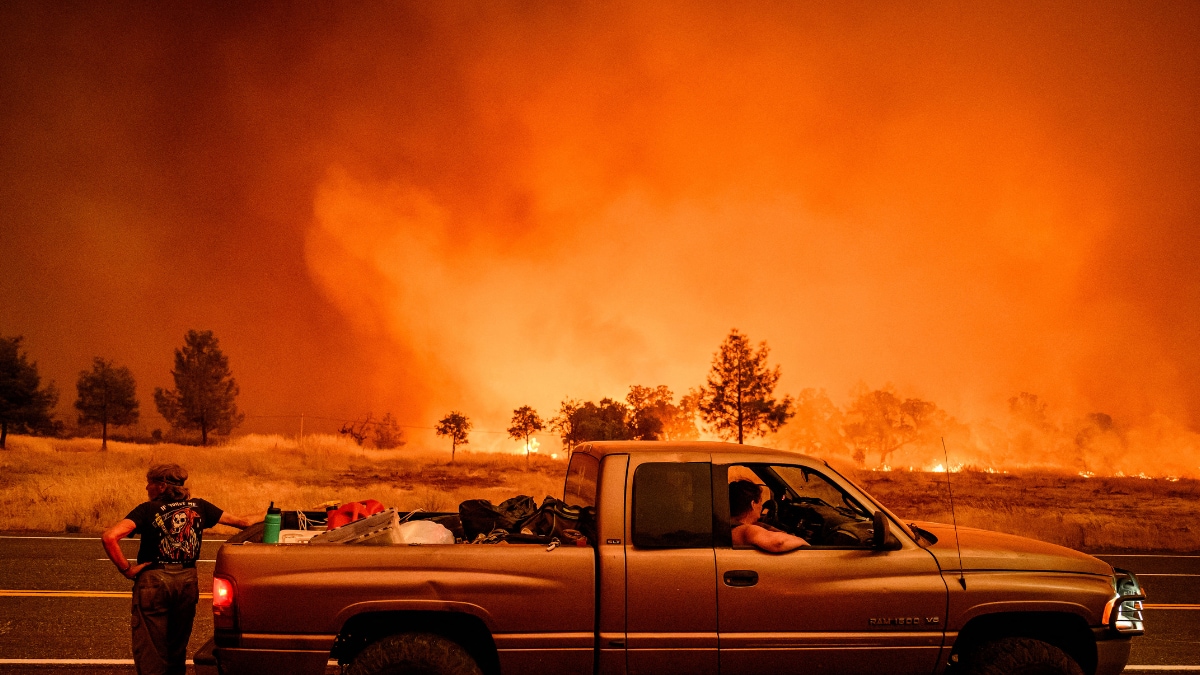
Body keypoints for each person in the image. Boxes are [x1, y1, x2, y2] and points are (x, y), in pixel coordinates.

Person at [101, 463, 254, 675]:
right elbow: (244, 522)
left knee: (152, 653)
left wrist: (127, 569)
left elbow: (110, 537)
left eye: (151, 483)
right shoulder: (200, 506)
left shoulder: (147, 510)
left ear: (162, 486)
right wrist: (279, 514)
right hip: (187, 581)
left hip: (154, 580)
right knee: (176, 650)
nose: (147, 488)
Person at [729, 478, 809, 552]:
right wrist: (805, 544)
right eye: (760, 501)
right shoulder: (745, 530)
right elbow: (779, 543)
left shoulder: (730, 525)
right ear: (753, 504)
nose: (761, 506)